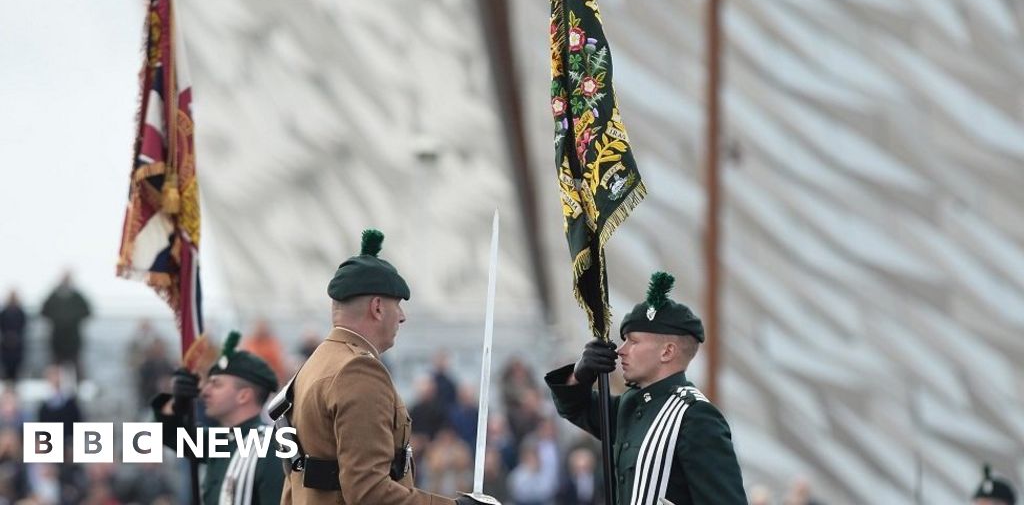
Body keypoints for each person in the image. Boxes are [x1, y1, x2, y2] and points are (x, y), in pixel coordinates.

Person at [278, 229, 499, 505]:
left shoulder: (316, 363)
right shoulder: (358, 371)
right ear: (378, 308)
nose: (402, 317)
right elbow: (369, 491)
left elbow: (298, 480)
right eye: (398, 306)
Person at [545, 271, 746, 505]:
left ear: (667, 352)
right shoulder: (629, 406)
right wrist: (580, 374)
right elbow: (574, 407)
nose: (621, 350)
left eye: (633, 341)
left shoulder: (694, 416)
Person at [154, 332, 284, 504]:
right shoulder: (219, 441)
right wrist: (176, 403)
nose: (204, 391)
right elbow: (167, 433)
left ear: (243, 396)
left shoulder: (269, 448)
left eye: (216, 384)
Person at [39, 271, 91, 375]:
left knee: (76, 364)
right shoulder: (54, 296)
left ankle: (79, 383)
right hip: (57, 337)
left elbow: (87, 311)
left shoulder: (77, 297)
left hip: (73, 338)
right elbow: (44, 311)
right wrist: (57, 319)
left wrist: (73, 319)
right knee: (55, 364)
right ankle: (54, 383)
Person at [0, 291, 27, 382]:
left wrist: (15, 336)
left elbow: (23, 325)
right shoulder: (4, 312)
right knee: (6, 368)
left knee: (16, 368)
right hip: (6, 344)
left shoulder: (20, 312)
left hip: (17, 344)